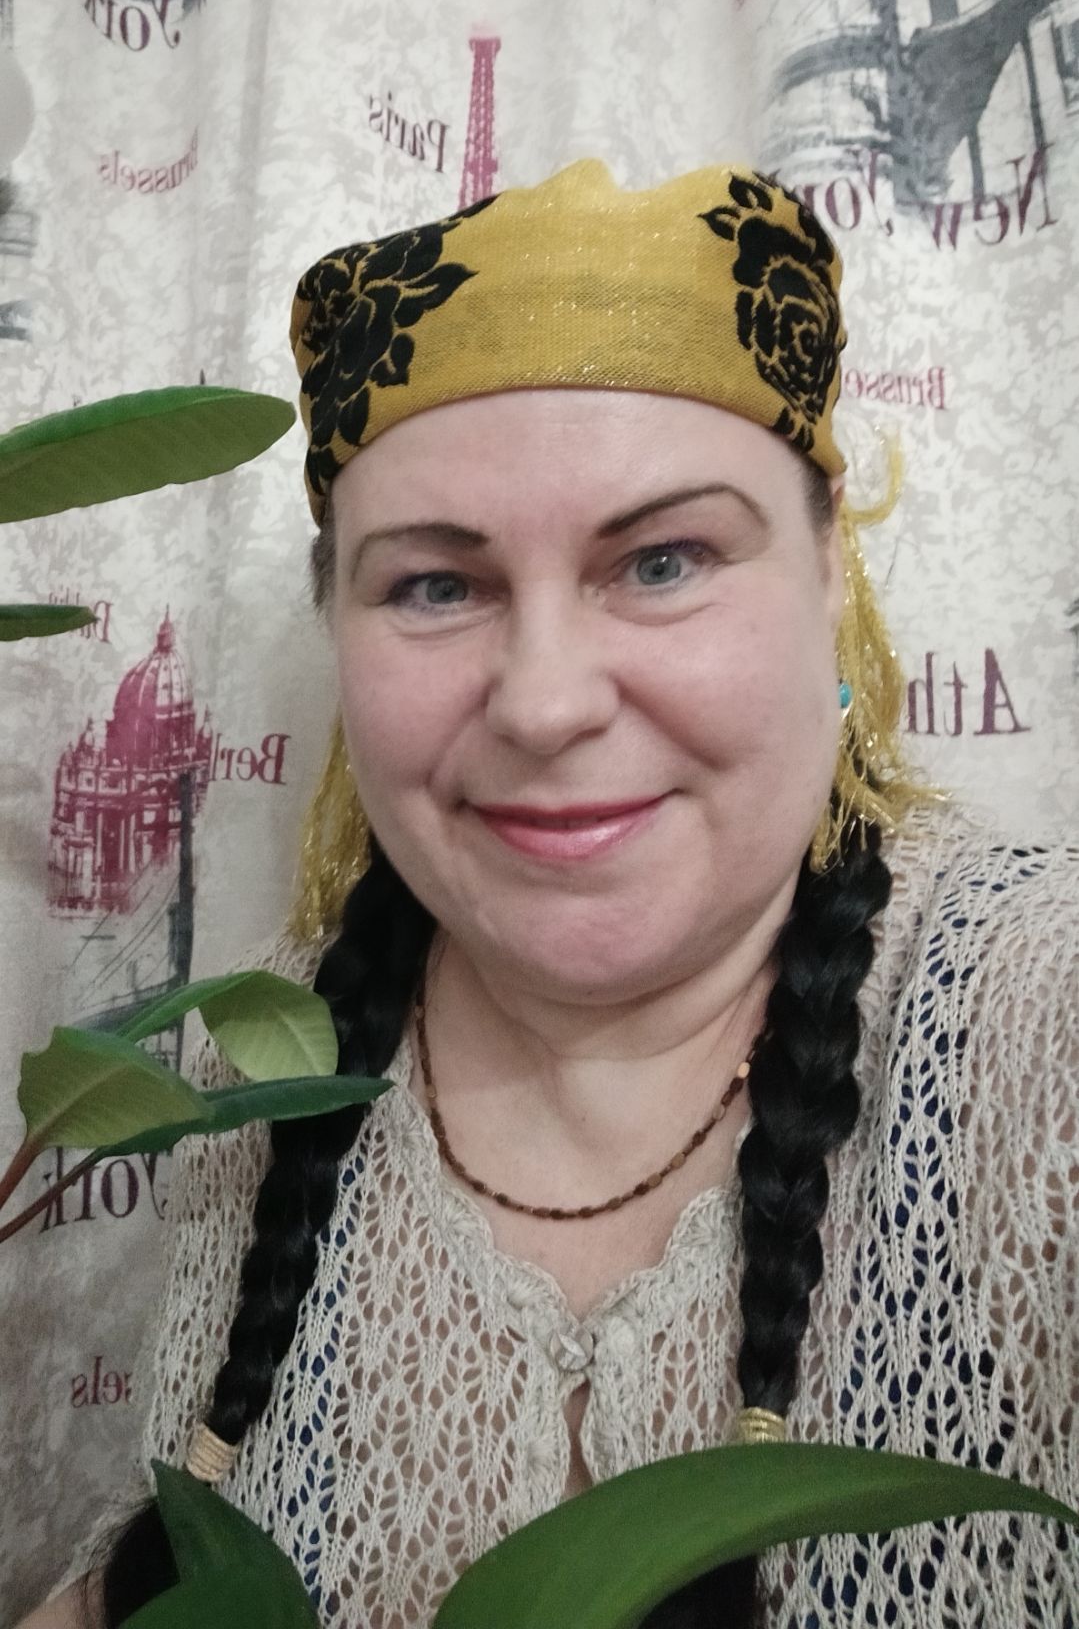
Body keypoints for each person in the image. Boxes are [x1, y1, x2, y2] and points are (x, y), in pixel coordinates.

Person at [23, 161, 1078, 1629]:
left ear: (831, 565)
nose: (544, 703)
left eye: (663, 560)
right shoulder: (259, 1059)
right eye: (436, 587)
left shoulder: (1042, 1021)